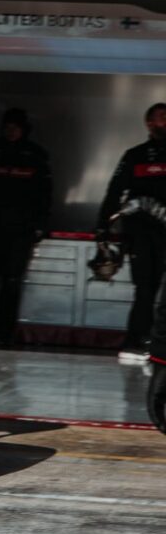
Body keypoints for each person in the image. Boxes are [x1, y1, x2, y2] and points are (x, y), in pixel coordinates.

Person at [0, 108, 52, 347]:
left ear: (24, 129)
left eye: (16, 127)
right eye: (7, 126)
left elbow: (45, 194)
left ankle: (4, 331)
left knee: (12, 281)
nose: (11, 131)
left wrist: (41, 225)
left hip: (21, 231)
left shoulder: (36, 155)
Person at [98, 102, 166, 363]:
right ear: (149, 123)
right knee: (145, 287)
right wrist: (102, 227)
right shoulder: (134, 155)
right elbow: (114, 192)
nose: (165, 122)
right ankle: (137, 340)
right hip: (141, 233)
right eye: (161, 118)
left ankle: (159, 344)